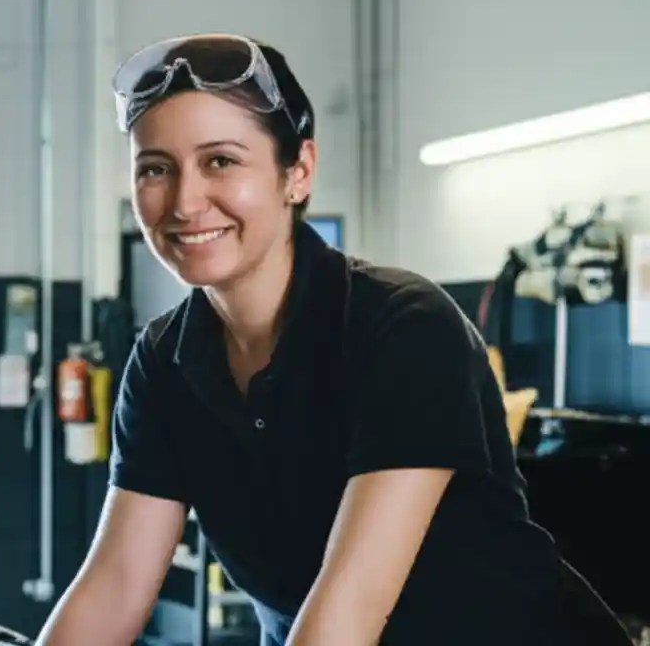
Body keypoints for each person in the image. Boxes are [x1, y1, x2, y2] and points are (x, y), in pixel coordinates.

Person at [36, 33, 629, 645]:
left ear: (297, 172)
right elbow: (115, 584)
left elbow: (352, 606)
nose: (185, 202)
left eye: (221, 161)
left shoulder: (403, 325)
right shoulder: (163, 364)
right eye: (156, 168)